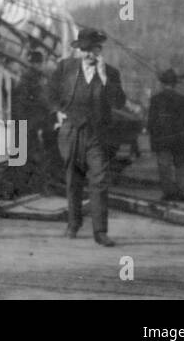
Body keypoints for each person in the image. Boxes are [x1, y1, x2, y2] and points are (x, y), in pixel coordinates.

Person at [46, 27, 126, 246]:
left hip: (97, 135)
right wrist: (58, 111)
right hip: (71, 130)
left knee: (99, 180)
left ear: (100, 50)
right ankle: (73, 223)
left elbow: (119, 102)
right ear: (79, 50)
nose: (89, 55)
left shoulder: (110, 73)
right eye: (85, 50)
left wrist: (103, 77)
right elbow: (49, 93)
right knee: (73, 179)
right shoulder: (65, 68)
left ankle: (100, 231)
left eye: (93, 50)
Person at [147, 68, 184, 202]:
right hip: (182, 140)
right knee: (182, 167)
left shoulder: (155, 100)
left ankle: (168, 194)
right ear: (175, 84)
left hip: (163, 140)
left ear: (163, 84)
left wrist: (154, 140)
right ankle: (180, 193)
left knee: (164, 167)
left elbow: (151, 123)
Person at [11, 47, 51, 194]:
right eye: (38, 63)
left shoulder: (30, 78)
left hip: (26, 124)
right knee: (31, 157)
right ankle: (28, 190)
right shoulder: (33, 80)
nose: (39, 66)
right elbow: (41, 103)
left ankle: (23, 189)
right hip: (28, 125)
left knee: (24, 158)